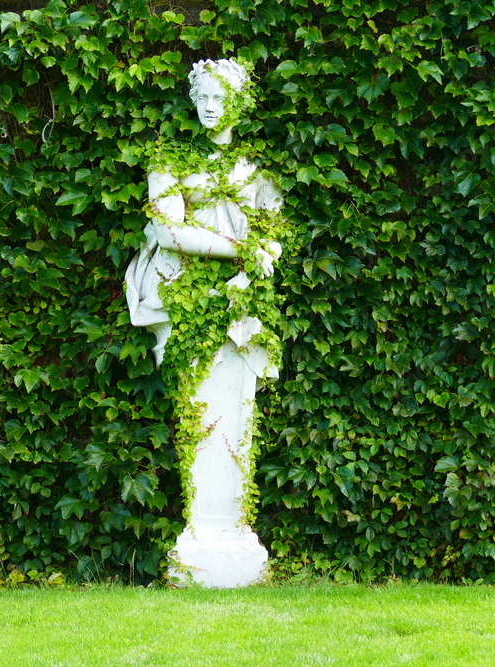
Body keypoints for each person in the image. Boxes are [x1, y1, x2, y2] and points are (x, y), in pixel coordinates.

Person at [124, 58, 285, 587]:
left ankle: (234, 533)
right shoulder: (169, 159)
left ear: (240, 102)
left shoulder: (259, 168)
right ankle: (201, 533)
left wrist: (259, 260)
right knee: (196, 410)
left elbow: (274, 234)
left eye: (219, 98)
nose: (209, 108)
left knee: (237, 413)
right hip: (180, 299)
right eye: (202, 98)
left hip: (240, 304)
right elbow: (170, 232)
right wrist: (243, 249)